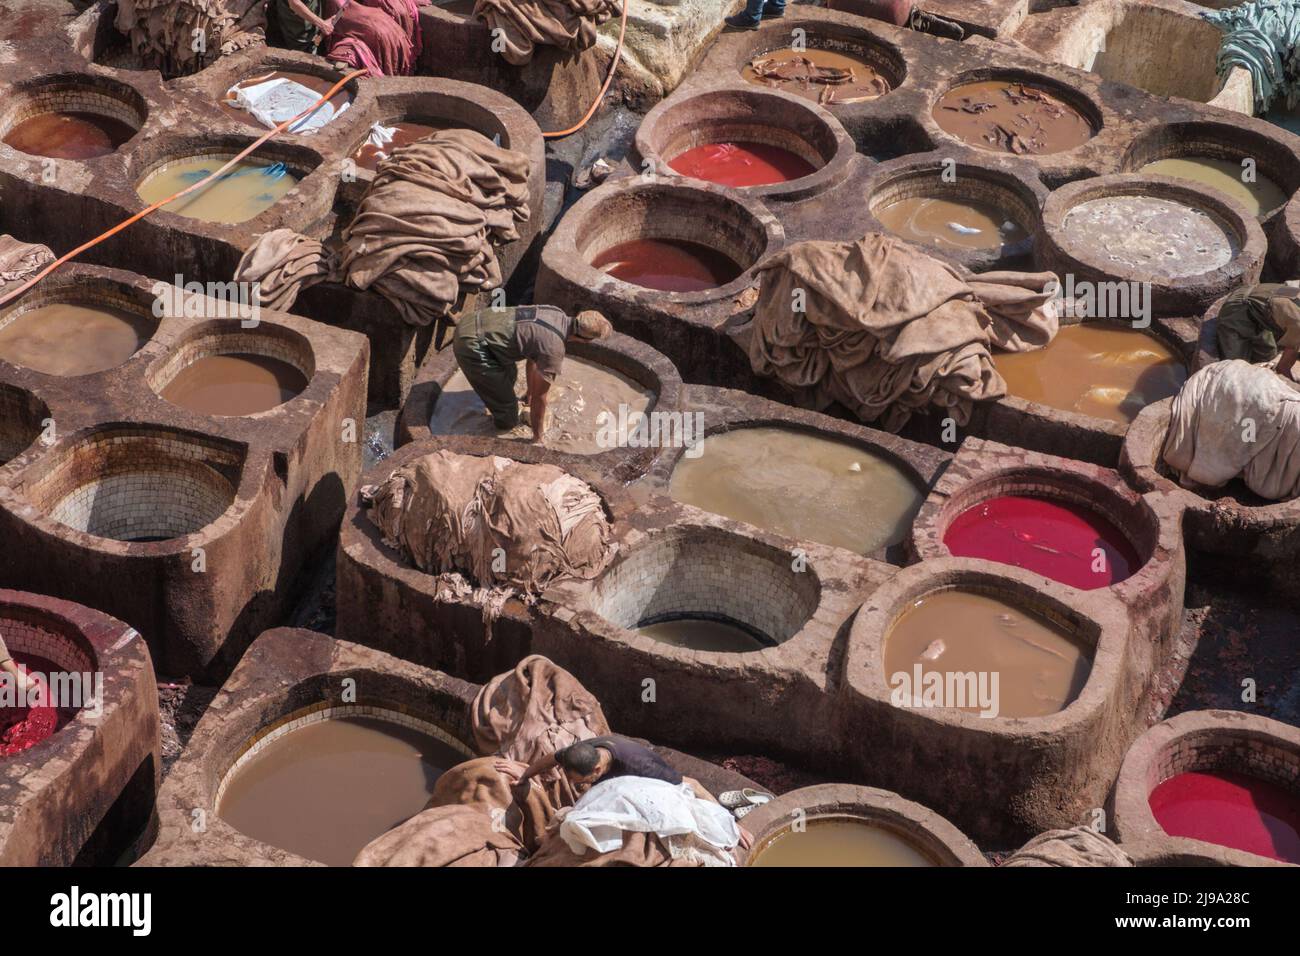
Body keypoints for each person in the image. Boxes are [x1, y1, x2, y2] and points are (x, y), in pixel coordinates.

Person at [452, 305, 613, 442]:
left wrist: (529, 394)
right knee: (509, 416)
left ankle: (497, 398)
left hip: (474, 320)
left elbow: (533, 358)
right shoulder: (554, 349)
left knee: (509, 377)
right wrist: (538, 437)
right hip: (471, 345)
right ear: (586, 340)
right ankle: (492, 430)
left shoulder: (555, 312)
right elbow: (540, 398)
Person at [1216, 282, 1300, 379]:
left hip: (1259, 307)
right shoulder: (1298, 324)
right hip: (1237, 308)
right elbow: (1282, 369)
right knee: (1236, 371)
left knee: (1267, 354)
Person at [267, 0, 349, 54]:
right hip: (297, 22)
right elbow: (294, 3)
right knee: (302, 50)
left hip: (312, 10)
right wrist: (322, 24)